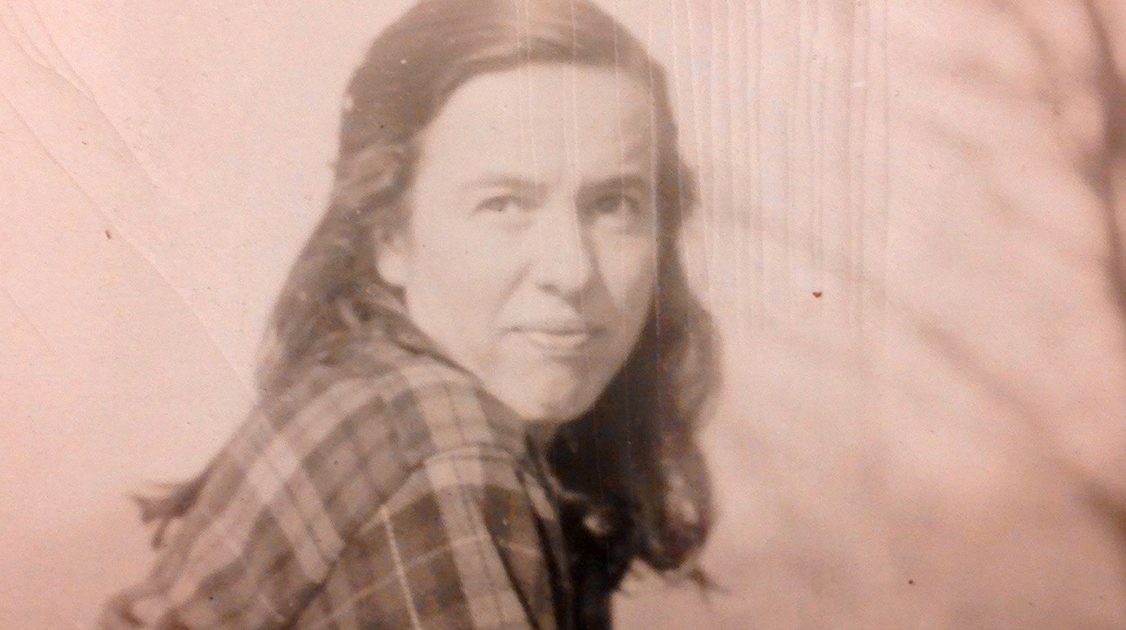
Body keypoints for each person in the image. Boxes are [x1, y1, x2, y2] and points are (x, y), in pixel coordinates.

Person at [98, 0, 720, 628]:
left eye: (614, 204)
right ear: (389, 235)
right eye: (503, 204)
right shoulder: (444, 443)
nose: (572, 270)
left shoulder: (369, 393)